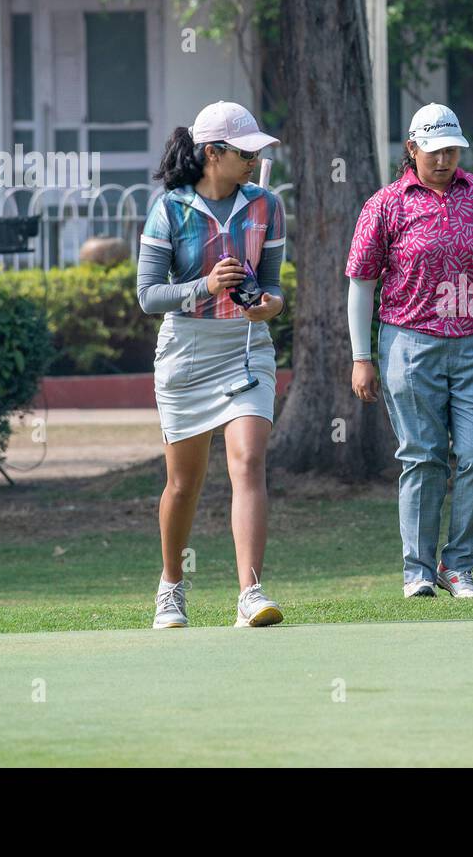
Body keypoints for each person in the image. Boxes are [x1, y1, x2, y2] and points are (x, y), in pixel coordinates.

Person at [346, 103, 473, 599]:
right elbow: (362, 283)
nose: (445, 160)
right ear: (412, 149)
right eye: (434, 151)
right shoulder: (384, 205)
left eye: (451, 150)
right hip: (409, 342)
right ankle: (418, 571)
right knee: (423, 457)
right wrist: (361, 355)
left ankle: (459, 565)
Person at [137, 101, 287, 629]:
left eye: (256, 153)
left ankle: (250, 593)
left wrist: (269, 304)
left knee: (248, 461)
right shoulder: (169, 210)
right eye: (244, 152)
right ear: (212, 153)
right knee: (184, 484)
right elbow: (148, 297)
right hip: (186, 353)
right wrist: (205, 285)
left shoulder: (267, 205)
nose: (253, 160)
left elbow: (271, 287)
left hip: (247, 346)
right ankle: (171, 586)